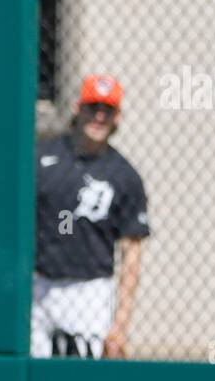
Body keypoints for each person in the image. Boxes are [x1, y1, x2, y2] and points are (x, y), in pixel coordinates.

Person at [32, 74, 149, 359]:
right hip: (39, 284)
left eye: (107, 110)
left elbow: (132, 252)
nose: (99, 116)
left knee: (83, 377)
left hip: (91, 290)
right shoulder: (41, 158)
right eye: (93, 107)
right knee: (33, 376)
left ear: (118, 117)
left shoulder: (124, 176)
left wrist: (120, 325)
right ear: (77, 109)